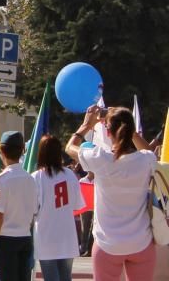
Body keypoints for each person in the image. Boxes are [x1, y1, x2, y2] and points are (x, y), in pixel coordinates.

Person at [68, 106, 159, 281]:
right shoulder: (145, 160)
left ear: (108, 133)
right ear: (131, 129)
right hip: (141, 242)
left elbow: (70, 147)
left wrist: (86, 125)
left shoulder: (100, 159)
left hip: (107, 244)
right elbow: (148, 150)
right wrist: (130, 131)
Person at [32, 134, 85, 281]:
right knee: (65, 277)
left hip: (46, 237)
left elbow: (33, 209)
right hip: (67, 236)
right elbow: (77, 205)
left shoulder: (36, 177)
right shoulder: (70, 175)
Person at [0, 131, 37, 281]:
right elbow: (34, 211)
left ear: (1, 151)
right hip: (25, 237)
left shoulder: (2, 179)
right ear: (23, 150)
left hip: (6, 240)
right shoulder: (30, 179)